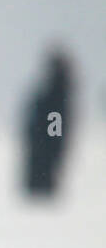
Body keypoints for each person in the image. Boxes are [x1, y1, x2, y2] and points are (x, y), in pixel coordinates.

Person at [22, 46, 75, 197]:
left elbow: (56, 116)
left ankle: (43, 187)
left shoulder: (58, 89)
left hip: (47, 138)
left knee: (46, 167)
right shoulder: (59, 87)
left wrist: (51, 138)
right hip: (47, 136)